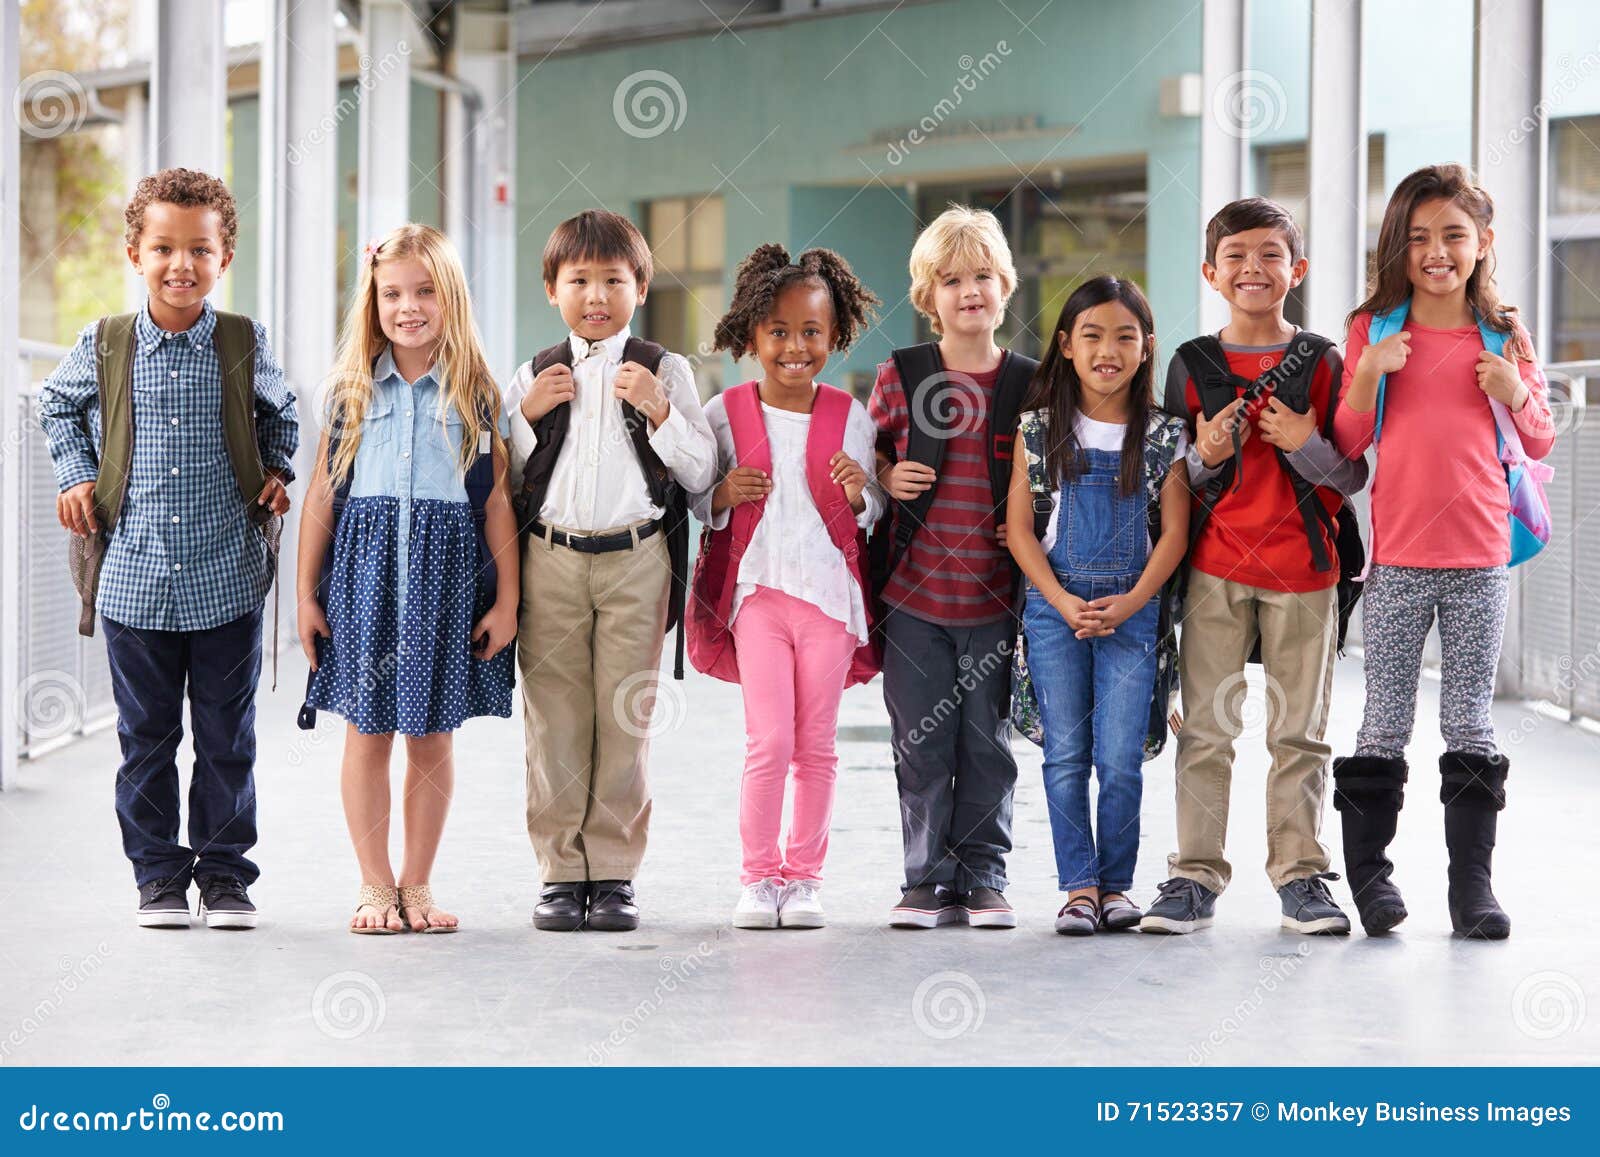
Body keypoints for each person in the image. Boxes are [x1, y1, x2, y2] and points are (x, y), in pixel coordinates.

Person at [39, 168, 298, 929]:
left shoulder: (244, 341)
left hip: (227, 574)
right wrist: (76, 474)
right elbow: (57, 405)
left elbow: (282, 416)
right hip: (133, 578)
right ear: (134, 254)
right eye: (163, 248)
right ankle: (157, 876)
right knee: (145, 740)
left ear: (224, 258)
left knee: (227, 738)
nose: (181, 264)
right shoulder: (106, 342)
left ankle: (224, 877)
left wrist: (280, 470)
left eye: (199, 249)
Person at [1330, 164, 1554, 940]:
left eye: (1453, 235)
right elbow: (1347, 443)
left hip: (1482, 558)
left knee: (1471, 724)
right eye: (1418, 237)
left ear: (1483, 243)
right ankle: (1371, 879)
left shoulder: (1504, 334)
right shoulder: (1375, 330)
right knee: (1383, 721)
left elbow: (1541, 435)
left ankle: (1473, 892)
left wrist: (1513, 389)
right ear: (1396, 245)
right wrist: (1365, 373)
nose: (1436, 251)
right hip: (1396, 561)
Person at [297, 223, 518, 934]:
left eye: (424, 291)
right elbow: (322, 498)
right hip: (363, 583)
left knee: (431, 737)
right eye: (392, 293)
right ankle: (373, 884)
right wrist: (305, 594)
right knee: (367, 733)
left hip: (446, 586)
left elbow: (495, 502)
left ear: (450, 297)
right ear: (374, 301)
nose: (409, 306)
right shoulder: (350, 392)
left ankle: (417, 884)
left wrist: (508, 599)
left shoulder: (477, 395)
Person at [507, 209, 716, 932]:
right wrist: (527, 416)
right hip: (550, 557)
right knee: (555, 719)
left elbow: (701, 471)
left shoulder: (666, 369)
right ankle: (562, 872)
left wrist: (659, 410)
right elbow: (499, 479)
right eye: (580, 280)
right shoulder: (531, 374)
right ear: (551, 288)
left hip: (637, 557)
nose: (597, 295)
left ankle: (614, 870)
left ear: (641, 285)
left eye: (613, 280)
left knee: (626, 716)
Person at [689, 244, 883, 930]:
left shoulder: (848, 415)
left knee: (817, 745)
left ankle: (803, 878)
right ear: (750, 336)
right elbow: (697, 498)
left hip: (829, 600)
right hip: (760, 596)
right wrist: (720, 494)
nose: (795, 346)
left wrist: (862, 496)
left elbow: (873, 509)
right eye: (778, 332)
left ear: (835, 337)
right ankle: (757, 876)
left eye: (811, 332)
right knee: (768, 741)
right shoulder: (725, 411)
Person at [1006, 276, 1189, 935]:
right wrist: (1059, 598)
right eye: (1092, 335)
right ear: (1066, 346)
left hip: (1132, 613)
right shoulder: (1040, 428)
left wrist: (1134, 600)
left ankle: (1117, 884)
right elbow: (1021, 530)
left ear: (1146, 349)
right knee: (1065, 755)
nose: (1107, 349)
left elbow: (1174, 533)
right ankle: (1078, 886)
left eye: (1124, 336)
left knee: (1119, 757)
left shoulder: (1165, 433)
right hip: (1055, 611)